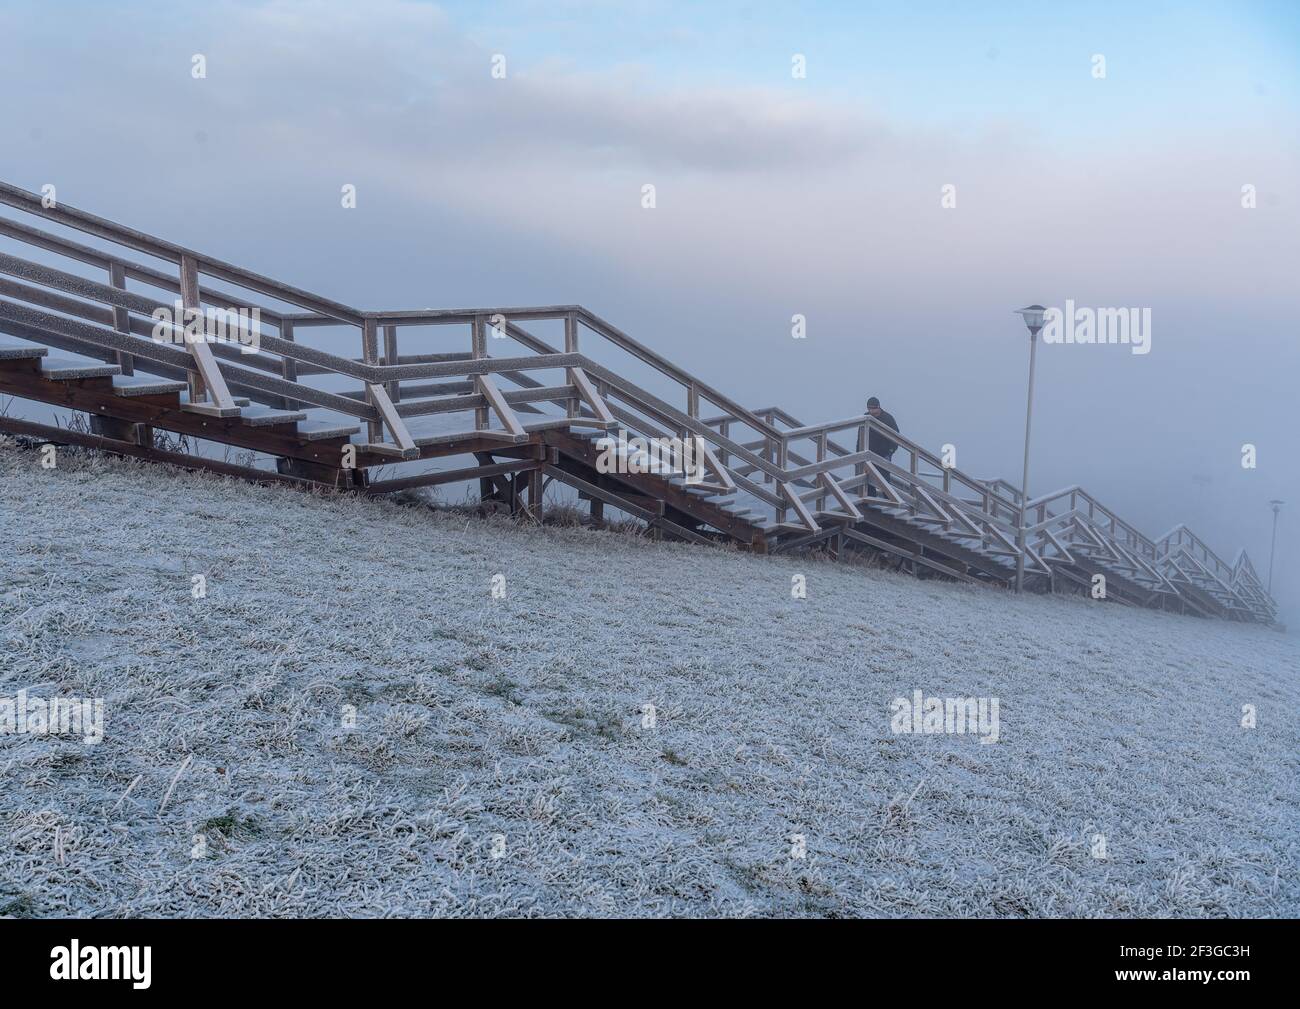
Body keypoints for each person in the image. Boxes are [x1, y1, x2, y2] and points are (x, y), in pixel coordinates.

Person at [864, 396, 899, 497]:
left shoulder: (888, 418)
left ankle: (888, 499)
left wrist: (890, 451)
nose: (872, 411)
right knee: (867, 477)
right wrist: (859, 451)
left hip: (884, 453)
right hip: (868, 452)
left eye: (874, 408)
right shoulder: (866, 417)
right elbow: (860, 435)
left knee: (884, 478)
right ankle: (870, 499)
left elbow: (896, 437)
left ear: (879, 407)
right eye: (869, 408)